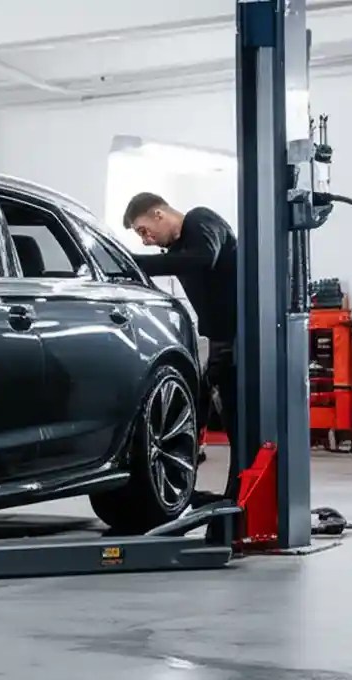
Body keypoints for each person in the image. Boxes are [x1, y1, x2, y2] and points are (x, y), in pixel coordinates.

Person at [122, 192, 240, 502]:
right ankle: (192, 487)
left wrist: (130, 262)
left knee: (239, 419)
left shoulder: (201, 220)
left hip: (244, 336)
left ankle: (239, 495)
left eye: (143, 230)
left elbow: (202, 260)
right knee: (200, 409)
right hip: (221, 338)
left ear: (159, 213)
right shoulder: (177, 248)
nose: (146, 240)